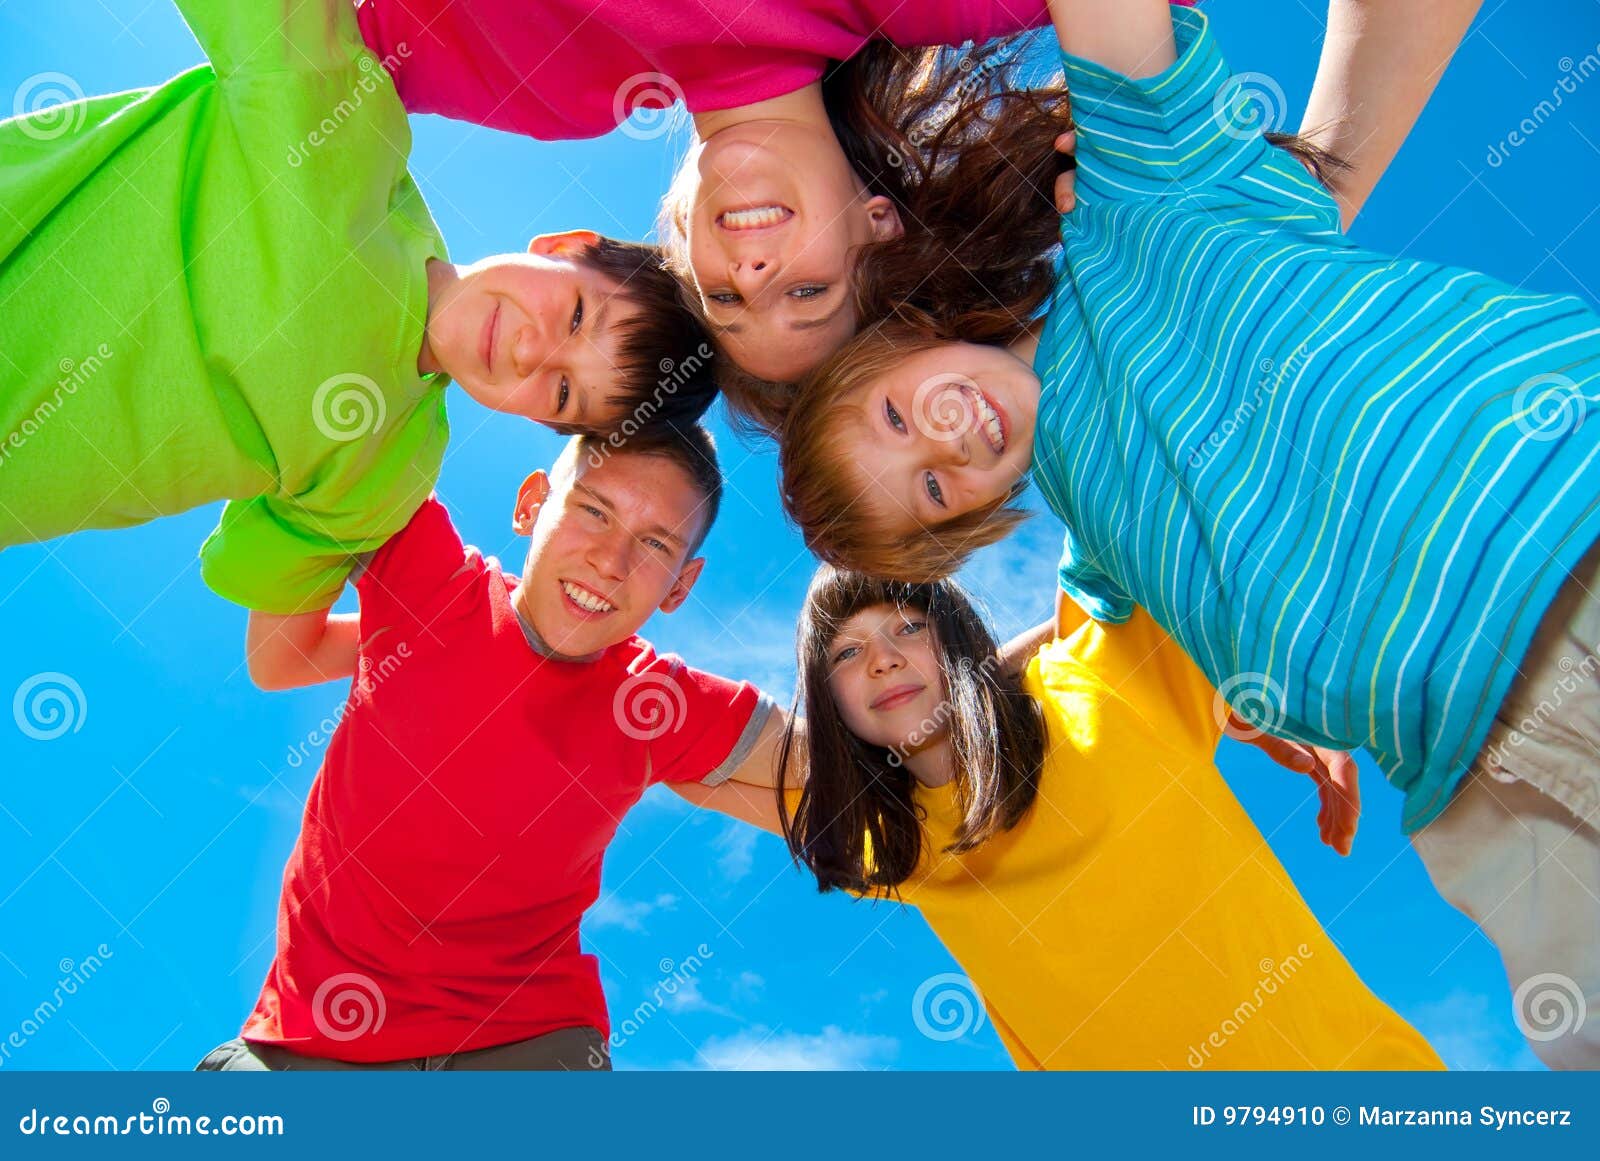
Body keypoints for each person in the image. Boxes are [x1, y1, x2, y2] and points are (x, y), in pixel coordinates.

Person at [778, 0, 1600, 1068]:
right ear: (972, 519)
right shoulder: (1101, 546)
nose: (943, 438)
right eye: (932, 490)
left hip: (1565, 506)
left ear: (901, 341)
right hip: (1479, 784)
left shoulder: (1133, 199)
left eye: (893, 415)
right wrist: (1257, 701)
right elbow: (1042, 657)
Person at [353, 0, 1483, 407]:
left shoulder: (545, 83)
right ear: (876, 221)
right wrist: (1304, 206)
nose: (757, 275)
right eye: (808, 293)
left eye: (731, 303)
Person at [0, 0, 713, 615]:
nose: (531, 351)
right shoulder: (343, 121)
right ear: (564, 247)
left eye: (561, 391)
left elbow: (258, 576)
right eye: (578, 316)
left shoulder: (388, 472)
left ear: (538, 420)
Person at [680, 567, 1441, 1069]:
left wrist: (1288, 696)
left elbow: (1149, 541)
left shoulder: (1095, 679)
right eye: (845, 655)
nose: (881, 659)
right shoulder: (900, 844)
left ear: (957, 632)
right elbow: (681, 754)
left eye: (908, 625)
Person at [198, 426, 786, 1070]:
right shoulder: (433, 581)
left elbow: (831, 767)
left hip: (524, 1041)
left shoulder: (652, 701)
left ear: (680, 585)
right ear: (532, 504)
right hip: (307, 1041)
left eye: (654, 544)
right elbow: (281, 657)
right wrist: (381, 621)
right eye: (594, 511)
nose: (611, 562)